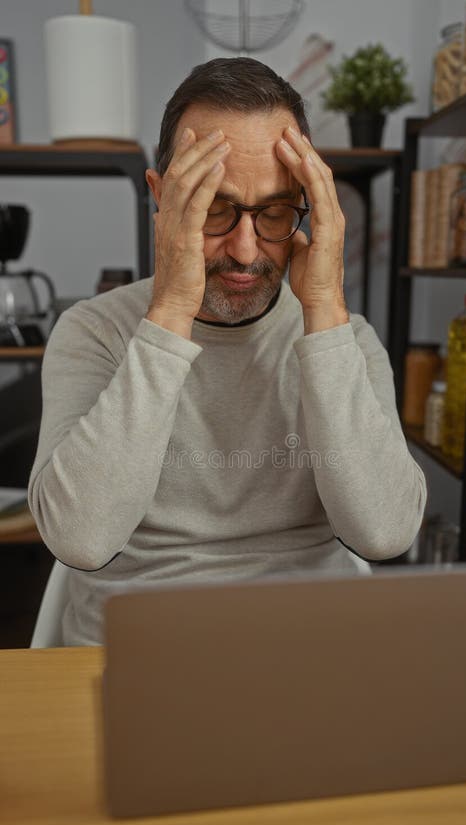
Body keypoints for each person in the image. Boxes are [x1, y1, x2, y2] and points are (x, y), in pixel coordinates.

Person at [28, 58, 426, 646]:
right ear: (162, 197)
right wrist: (169, 310)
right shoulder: (93, 331)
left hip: (310, 646)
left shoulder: (346, 337)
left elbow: (385, 533)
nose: (245, 250)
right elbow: (82, 538)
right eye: (213, 207)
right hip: (137, 650)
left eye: (274, 211)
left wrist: (324, 310)